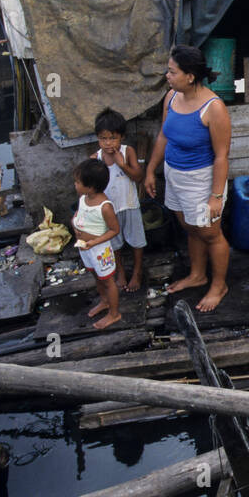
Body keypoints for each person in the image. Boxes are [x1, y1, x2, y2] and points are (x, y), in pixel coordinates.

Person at [145, 45, 232, 313]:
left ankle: (219, 285)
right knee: (190, 227)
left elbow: (221, 156)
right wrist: (151, 169)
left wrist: (216, 196)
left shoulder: (213, 108)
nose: (167, 76)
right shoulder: (171, 97)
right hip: (175, 175)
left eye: (172, 72)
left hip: (201, 181)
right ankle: (198, 275)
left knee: (210, 233)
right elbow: (163, 136)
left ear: (190, 76)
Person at [93, 107, 146, 293]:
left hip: (130, 205)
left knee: (137, 241)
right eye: (103, 138)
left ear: (121, 137)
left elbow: (138, 177)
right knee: (114, 243)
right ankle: (121, 271)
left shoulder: (127, 151)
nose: (108, 143)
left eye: (112, 138)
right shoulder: (96, 158)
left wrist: (121, 164)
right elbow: (92, 188)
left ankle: (137, 272)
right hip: (109, 211)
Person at [72, 158, 122, 330]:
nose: (75, 184)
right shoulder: (83, 198)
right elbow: (80, 213)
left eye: (78, 182)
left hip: (99, 250)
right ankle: (104, 301)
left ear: (91, 186)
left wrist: (94, 242)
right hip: (85, 248)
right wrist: (75, 222)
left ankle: (114, 314)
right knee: (96, 276)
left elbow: (114, 230)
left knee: (108, 281)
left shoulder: (105, 206)